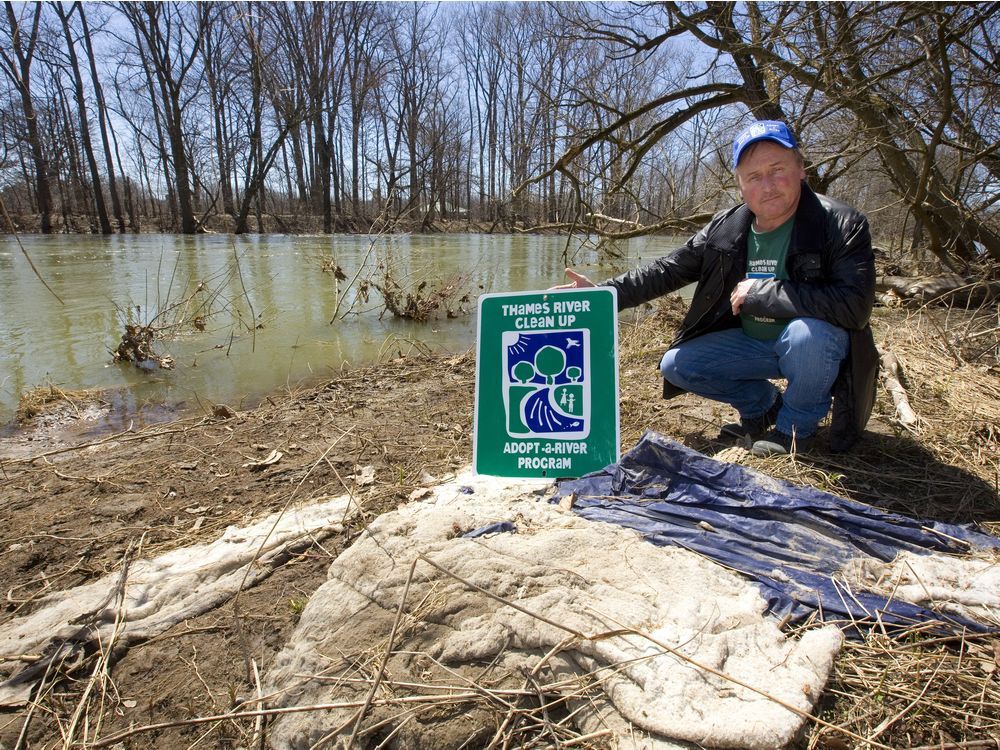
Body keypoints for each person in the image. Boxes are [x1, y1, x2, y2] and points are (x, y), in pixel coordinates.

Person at [556, 120, 878, 455]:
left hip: (813, 348)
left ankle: (794, 429)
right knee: (677, 365)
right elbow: (666, 271)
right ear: (740, 185)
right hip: (753, 344)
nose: (767, 185)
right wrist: (603, 295)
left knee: (808, 336)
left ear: (801, 170)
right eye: (753, 176)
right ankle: (763, 406)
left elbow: (854, 306)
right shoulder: (727, 228)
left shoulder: (840, 224)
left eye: (777, 169)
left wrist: (762, 293)